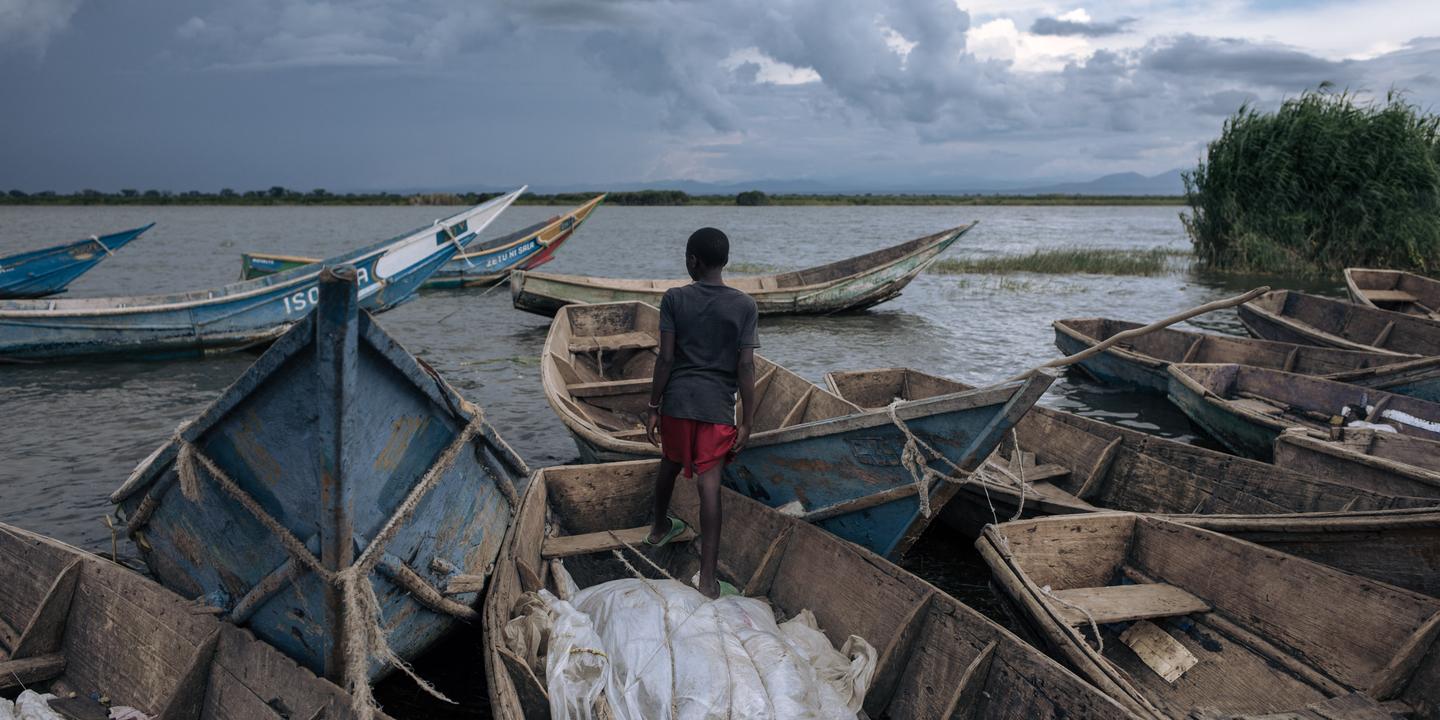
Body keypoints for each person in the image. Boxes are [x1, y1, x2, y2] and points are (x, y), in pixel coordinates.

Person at [643, 226, 758, 599]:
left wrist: (654, 406)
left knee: (670, 463)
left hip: (677, 403)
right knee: (710, 485)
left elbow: (666, 358)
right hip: (717, 409)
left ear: (693, 261)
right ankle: (707, 582)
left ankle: (659, 529)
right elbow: (746, 368)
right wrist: (748, 421)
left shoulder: (675, 299)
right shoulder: (744, 305)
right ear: (724, 261)